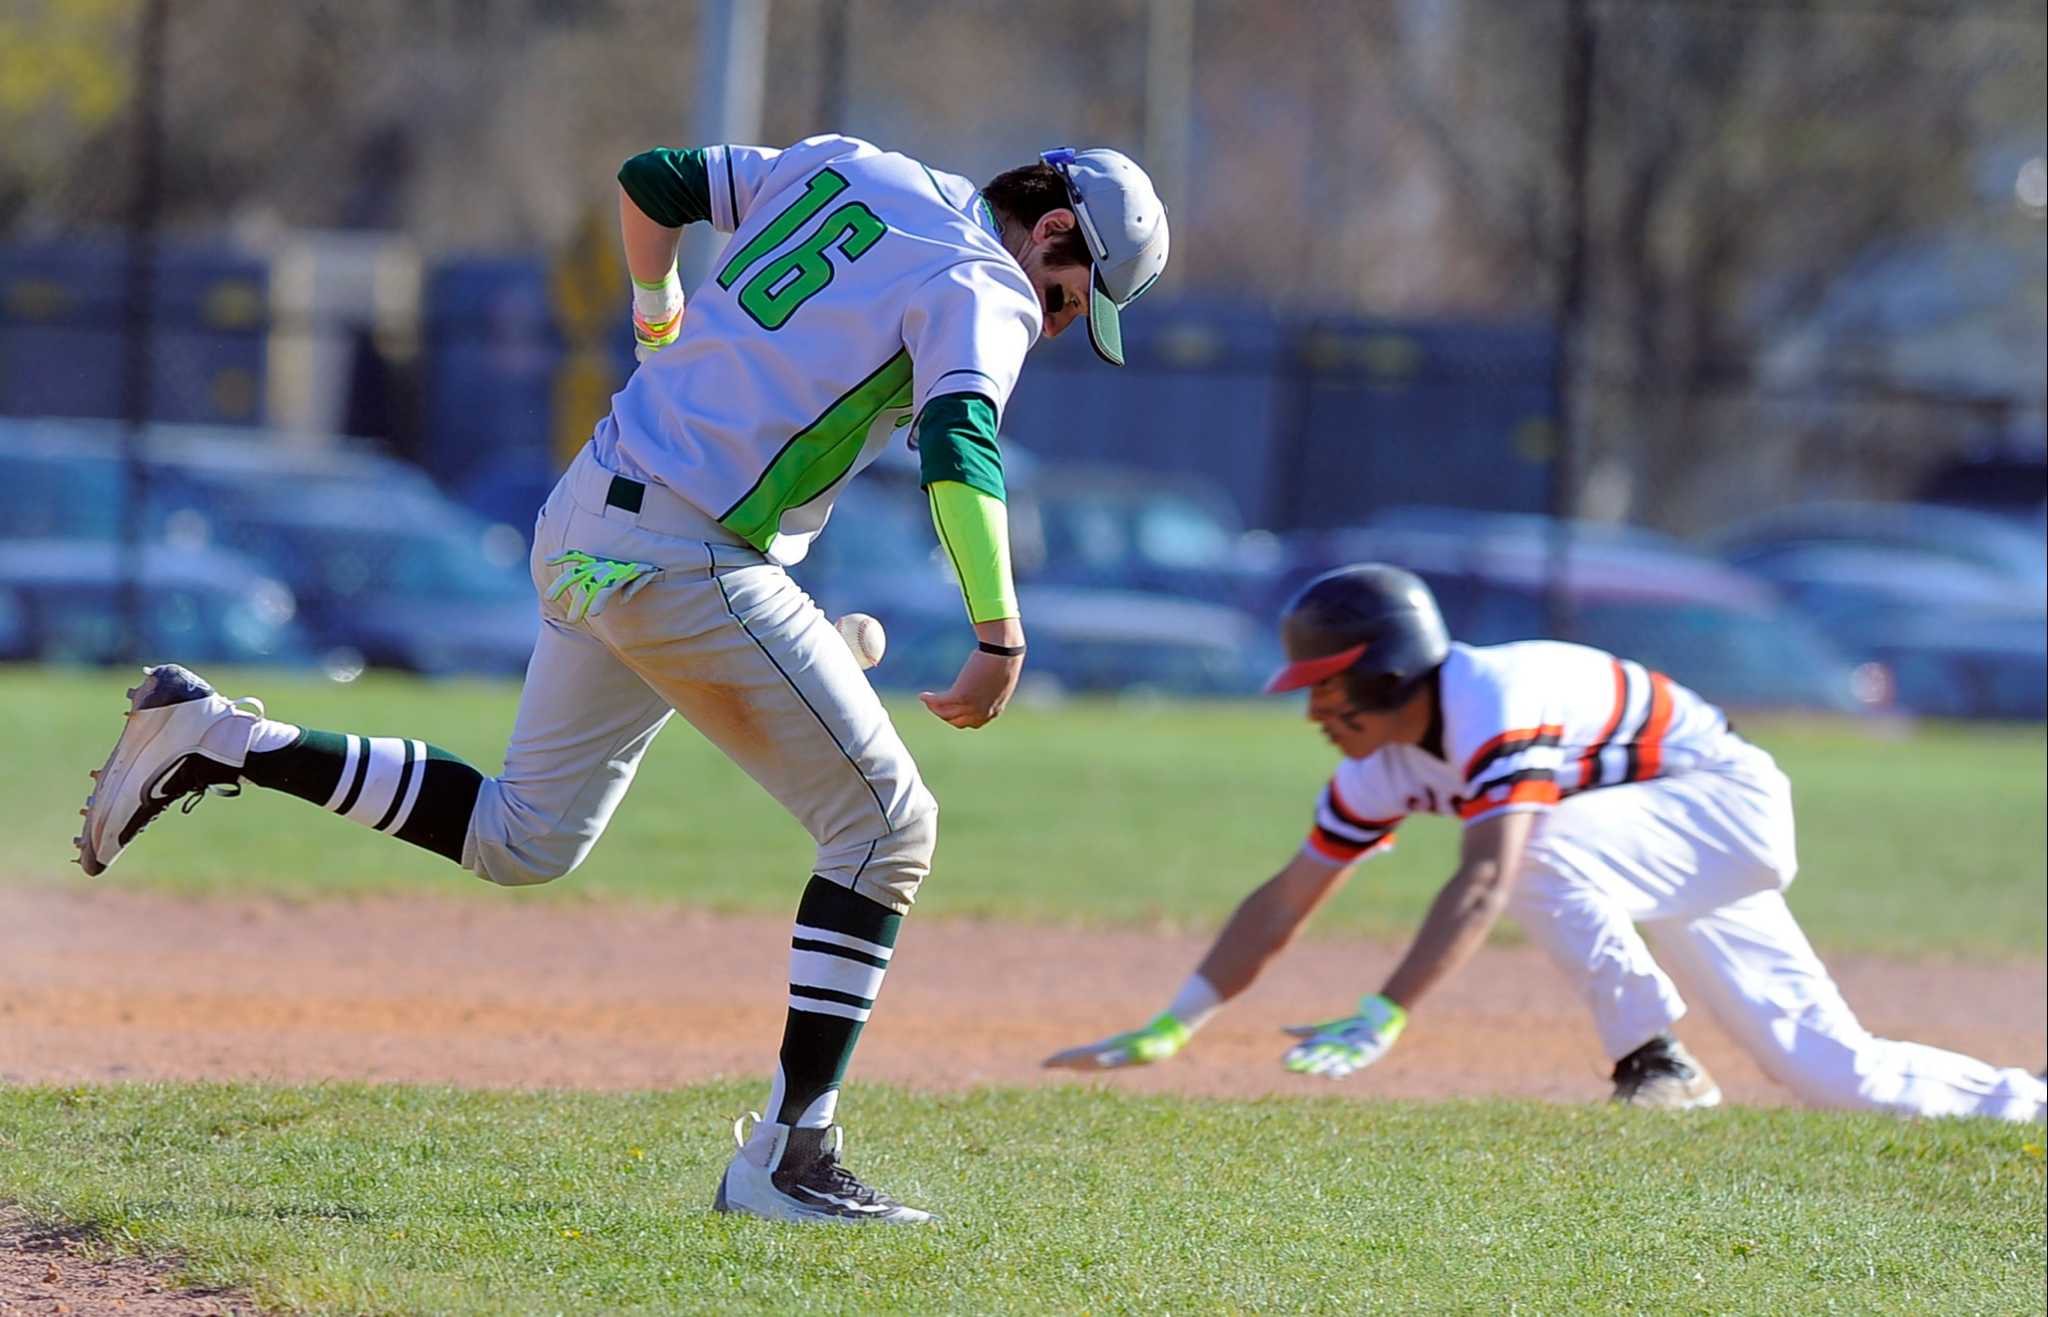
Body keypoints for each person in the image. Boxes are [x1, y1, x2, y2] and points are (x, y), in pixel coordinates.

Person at [77, 134, 1171, 1223]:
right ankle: (790, 1159)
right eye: (1078, 297)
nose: (1064, 320)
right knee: (888, 831)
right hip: (688, 552)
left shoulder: (852, 161)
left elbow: (654, 180)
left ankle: (217, 738)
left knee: (525, 837)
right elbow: (961, 444)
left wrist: (657, 307)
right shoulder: (991, 282)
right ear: (1054, 228)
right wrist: (1000, 633)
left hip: (594, 508)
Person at [1046, 564, 2047, 1123]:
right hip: (1651, 841)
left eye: (1326, 683)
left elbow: (1489, 881)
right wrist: (1175, 1021)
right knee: (1832, 1074)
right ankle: (2027, 1108)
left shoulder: (1491, 701)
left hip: (1720, 806)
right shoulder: (1378, 765)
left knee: (1534, 849)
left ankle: (1651, 1061)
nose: (1312, 707)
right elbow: (1288, 894)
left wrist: (1385, 1012)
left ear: (1391, 671)